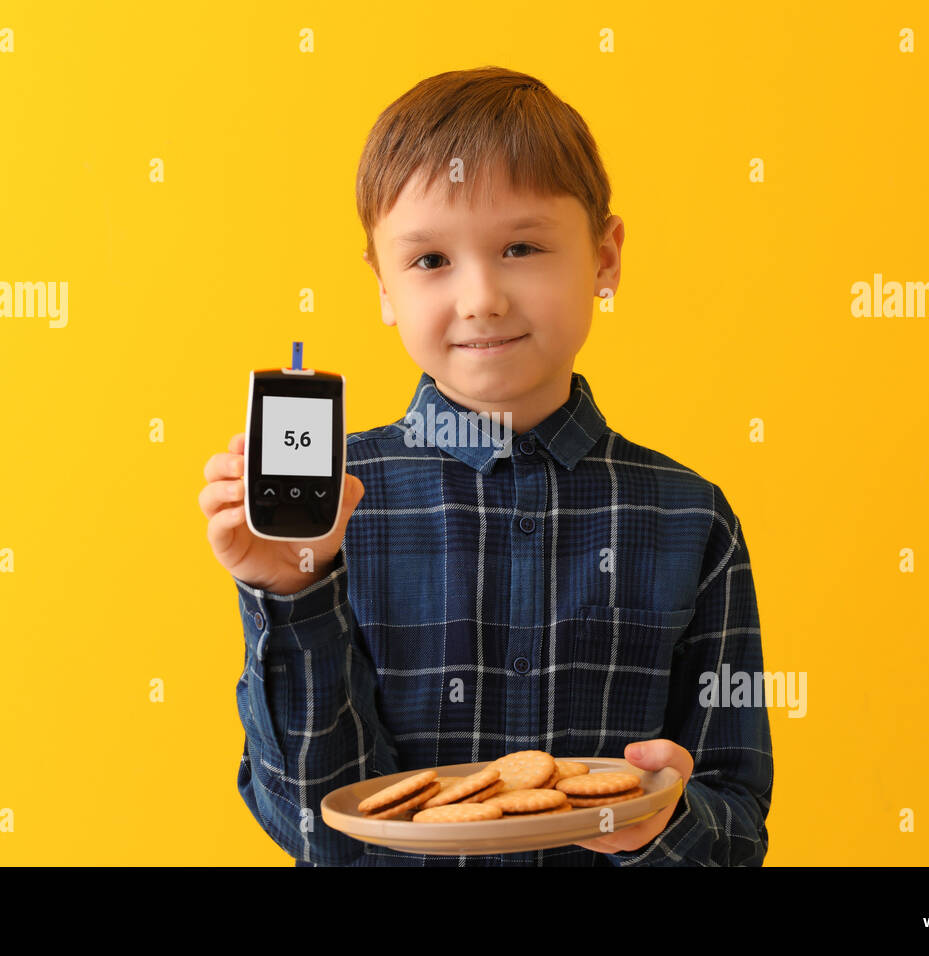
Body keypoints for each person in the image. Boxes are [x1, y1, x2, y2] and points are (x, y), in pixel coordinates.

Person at [199, 66, 772, 866]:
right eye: (431, 260)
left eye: (521, 248)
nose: (481, 299)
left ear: (605, 257)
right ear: (383, 286)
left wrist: (668, 819)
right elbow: (317, 834)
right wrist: (293, 591)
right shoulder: (338, 508)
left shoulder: (691, 518)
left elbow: (739, 827)